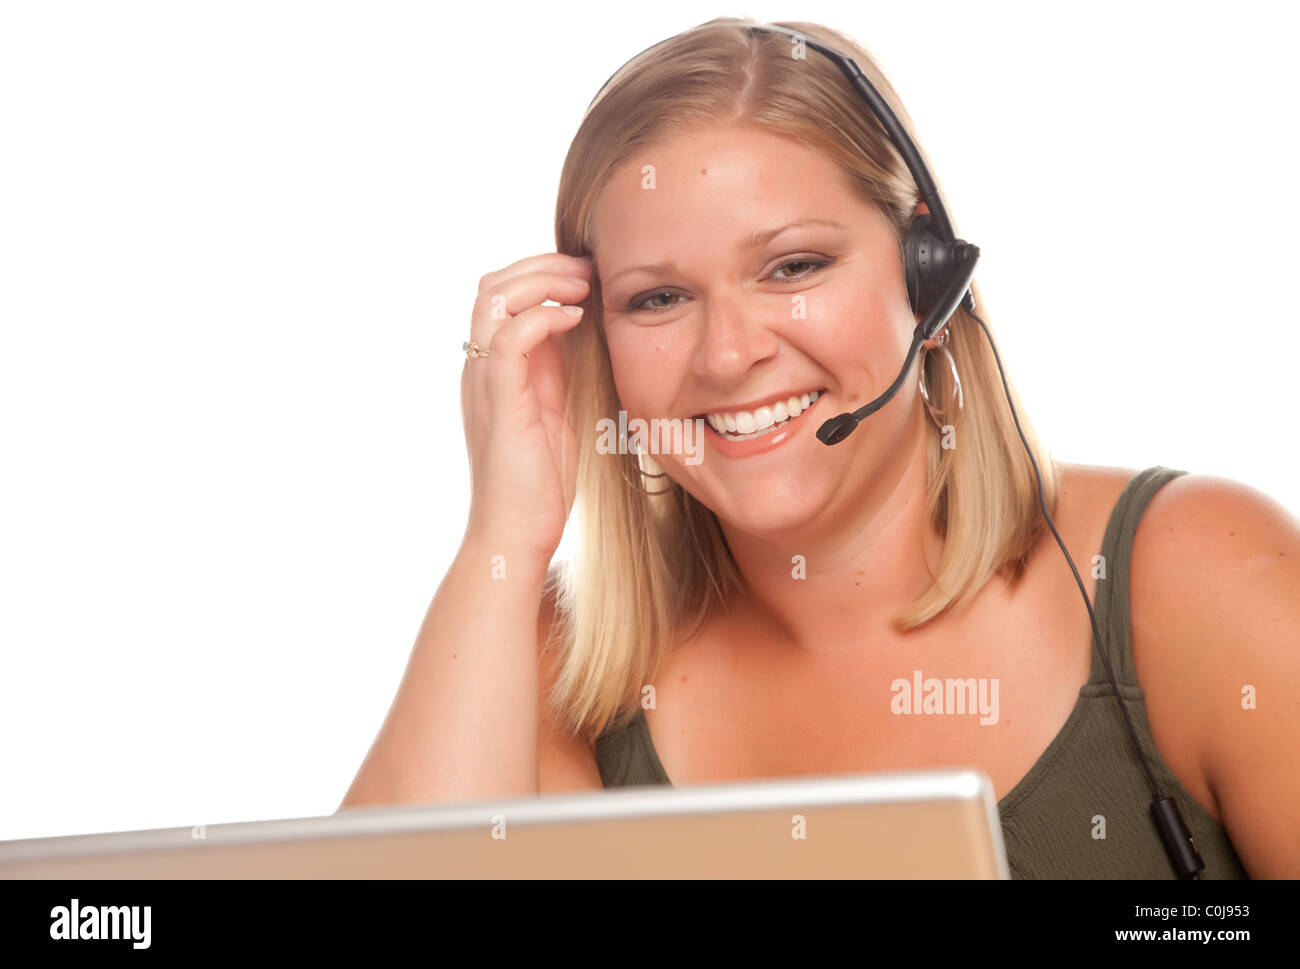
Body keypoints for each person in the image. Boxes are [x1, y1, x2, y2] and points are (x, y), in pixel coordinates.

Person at [339, 17, 1298, 879]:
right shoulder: (561, 665)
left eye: (793, 266)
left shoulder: (1192, 573)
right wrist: (499, 538)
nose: (727, 354)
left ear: (929, 280)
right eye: (659, 298)